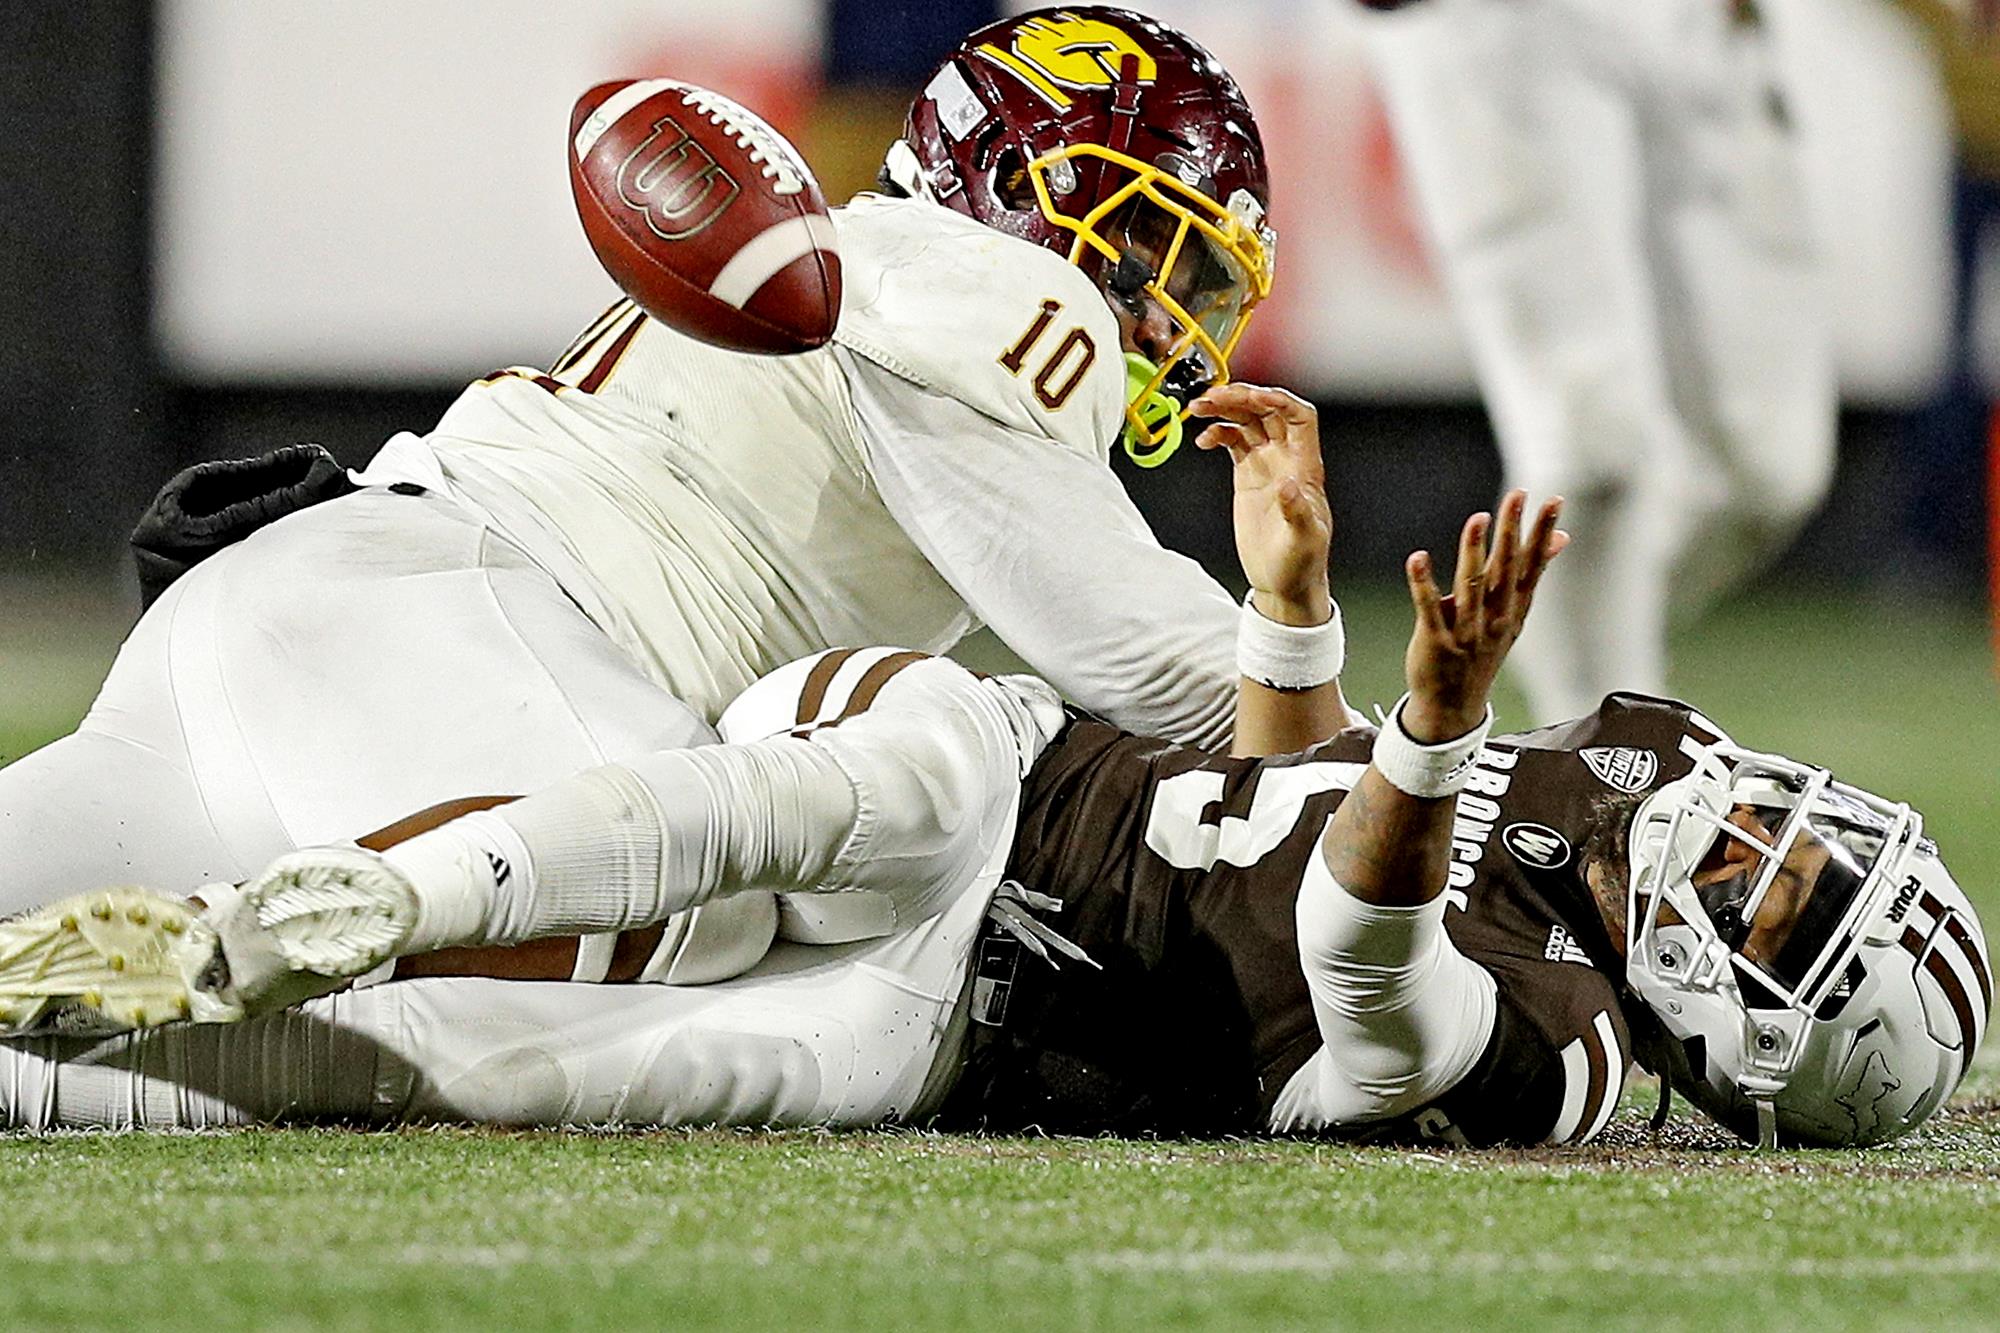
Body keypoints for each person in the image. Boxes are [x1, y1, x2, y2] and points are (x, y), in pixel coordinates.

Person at [1, 388, 1981, 1150]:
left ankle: (45, 1064)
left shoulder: (1567, 1053)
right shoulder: (1605, 788)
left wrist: (1439, 724)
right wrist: (1294, 615)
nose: (1763, 834)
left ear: (1749, 1025)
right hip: (991, 760)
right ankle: (382, 899)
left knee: (531, 1077)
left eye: (1792, 893)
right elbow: (1283, 802)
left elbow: (1361, 970)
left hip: (946, 1019)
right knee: (892, 792)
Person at [0, 8, 1293, 988]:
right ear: (1022, 185)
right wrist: (1370, 723)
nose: (1170, 320)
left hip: (298, 589)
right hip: (473, 655)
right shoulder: (997, 293)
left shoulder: (854, 257)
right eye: (1157, 248)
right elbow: (1157, 670)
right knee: (745, 916)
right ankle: (193, 1000)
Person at [1356, 0, 1838, 723]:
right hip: (1507, 23)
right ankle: (1602, 749)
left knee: (1767, 468)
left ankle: (1569, 653)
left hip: (1700, 27)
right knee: (1591, 442)